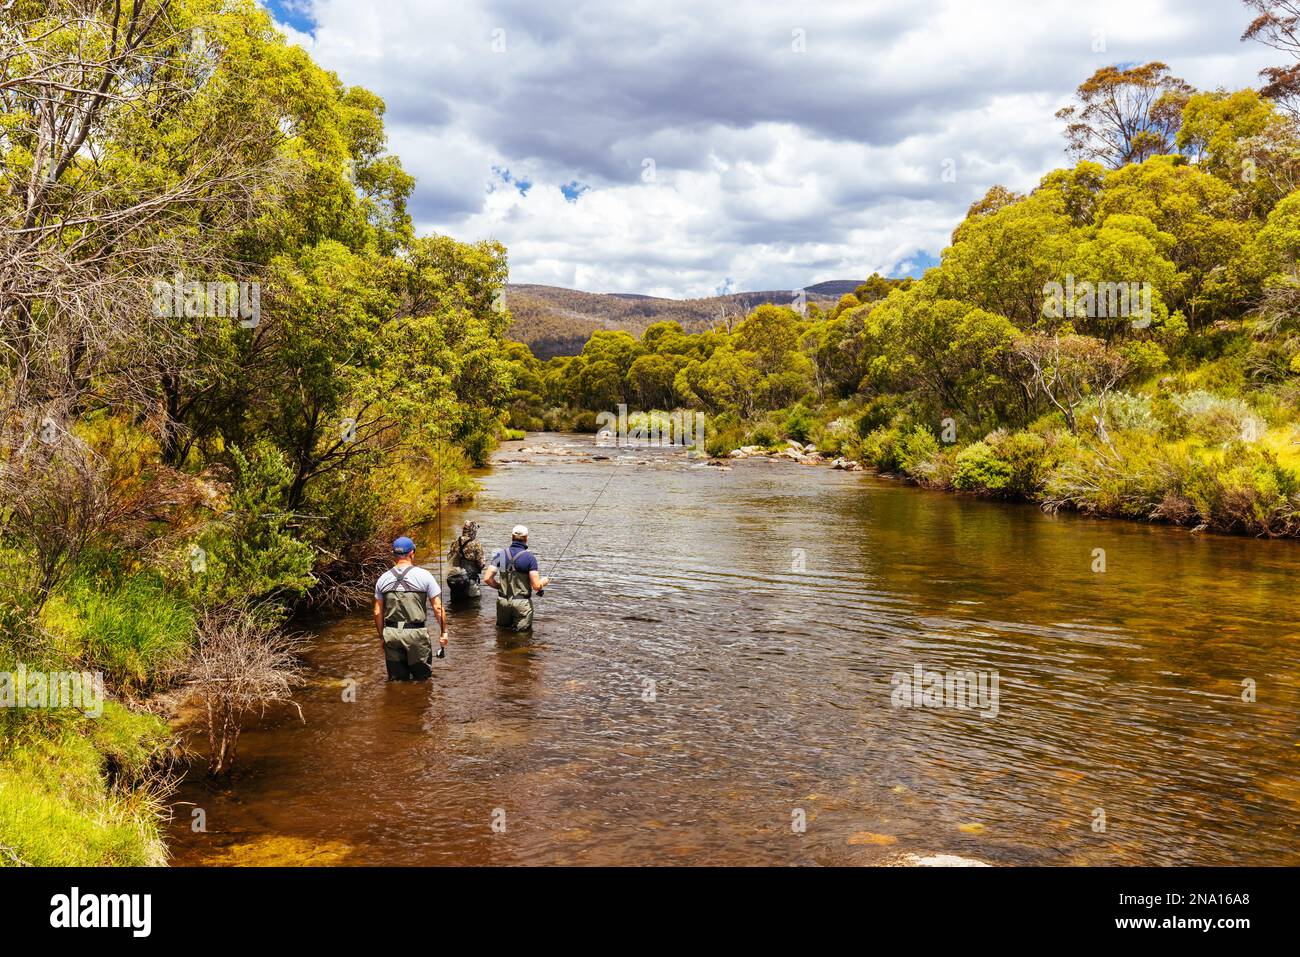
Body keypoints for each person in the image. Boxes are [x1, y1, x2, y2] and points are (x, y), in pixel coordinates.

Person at [373, 536, 447, 680]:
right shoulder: (425, 576)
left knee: (397, 681)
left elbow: (377, 612)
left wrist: (382, 637)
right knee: (423, 680)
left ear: (394, 554)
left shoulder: (383, 578)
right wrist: (444, 632)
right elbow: (438, 608)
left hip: (391, 634)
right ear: (412, 552)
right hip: (416, 634)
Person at [483, 525, 550, 632]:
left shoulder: (500, 555)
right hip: (521, 603)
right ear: (526, 538)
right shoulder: (529, 558)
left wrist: (500, 586)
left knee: (502, 633)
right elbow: (536, 586)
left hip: (503, 601)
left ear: (512, 537)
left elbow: (487, 578)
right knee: (522, 636)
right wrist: (544, 582)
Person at [445, 520, 485, 602]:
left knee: (455, 606)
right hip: (470, 581)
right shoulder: (476, 544)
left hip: (455, 581)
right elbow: (481, 564)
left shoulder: (454, 543)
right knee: (474, 606)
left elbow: (449, 559)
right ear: (472, 531)